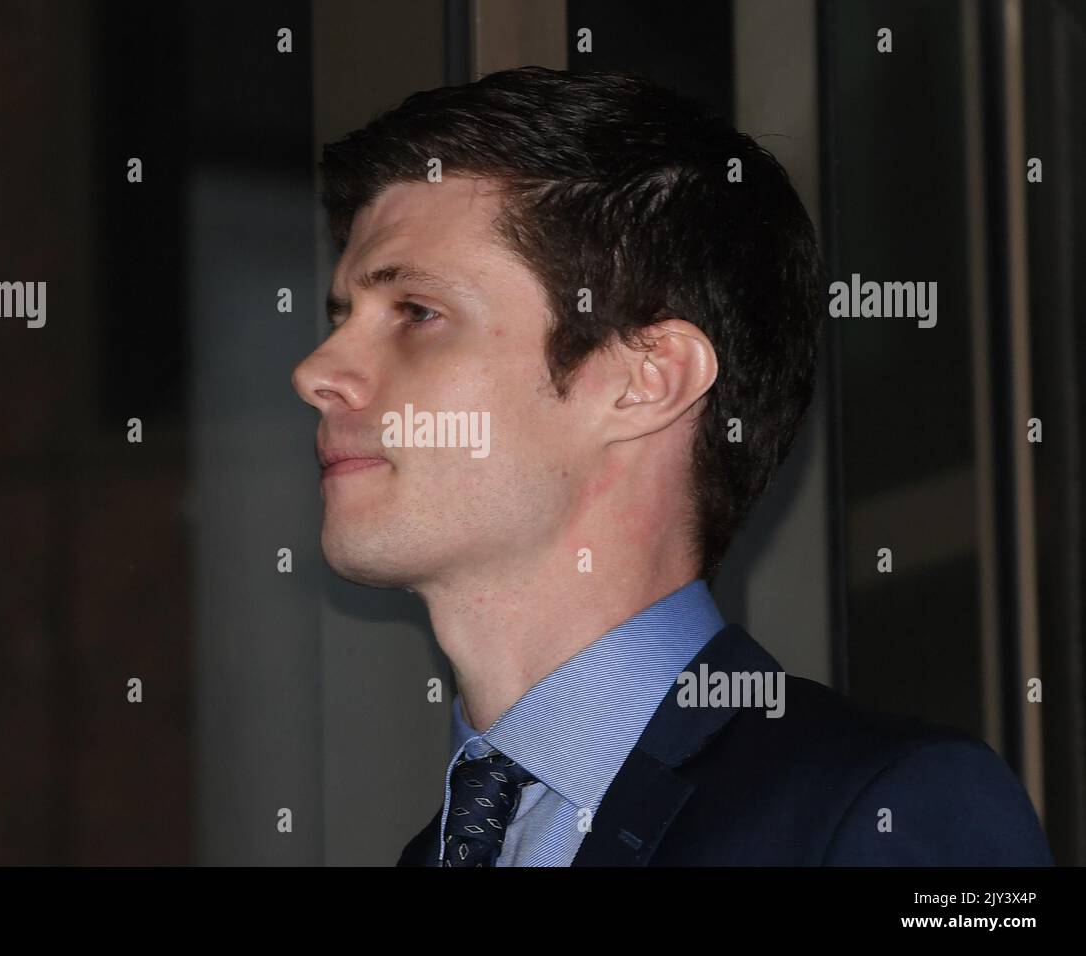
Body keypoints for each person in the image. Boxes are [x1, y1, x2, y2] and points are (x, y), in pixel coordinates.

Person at [291, 66, 1053, 866]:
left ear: (645, 380)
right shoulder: (441, 851)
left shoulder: (883, 810)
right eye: (342, 315)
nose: (316, 369)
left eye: (415, 312)